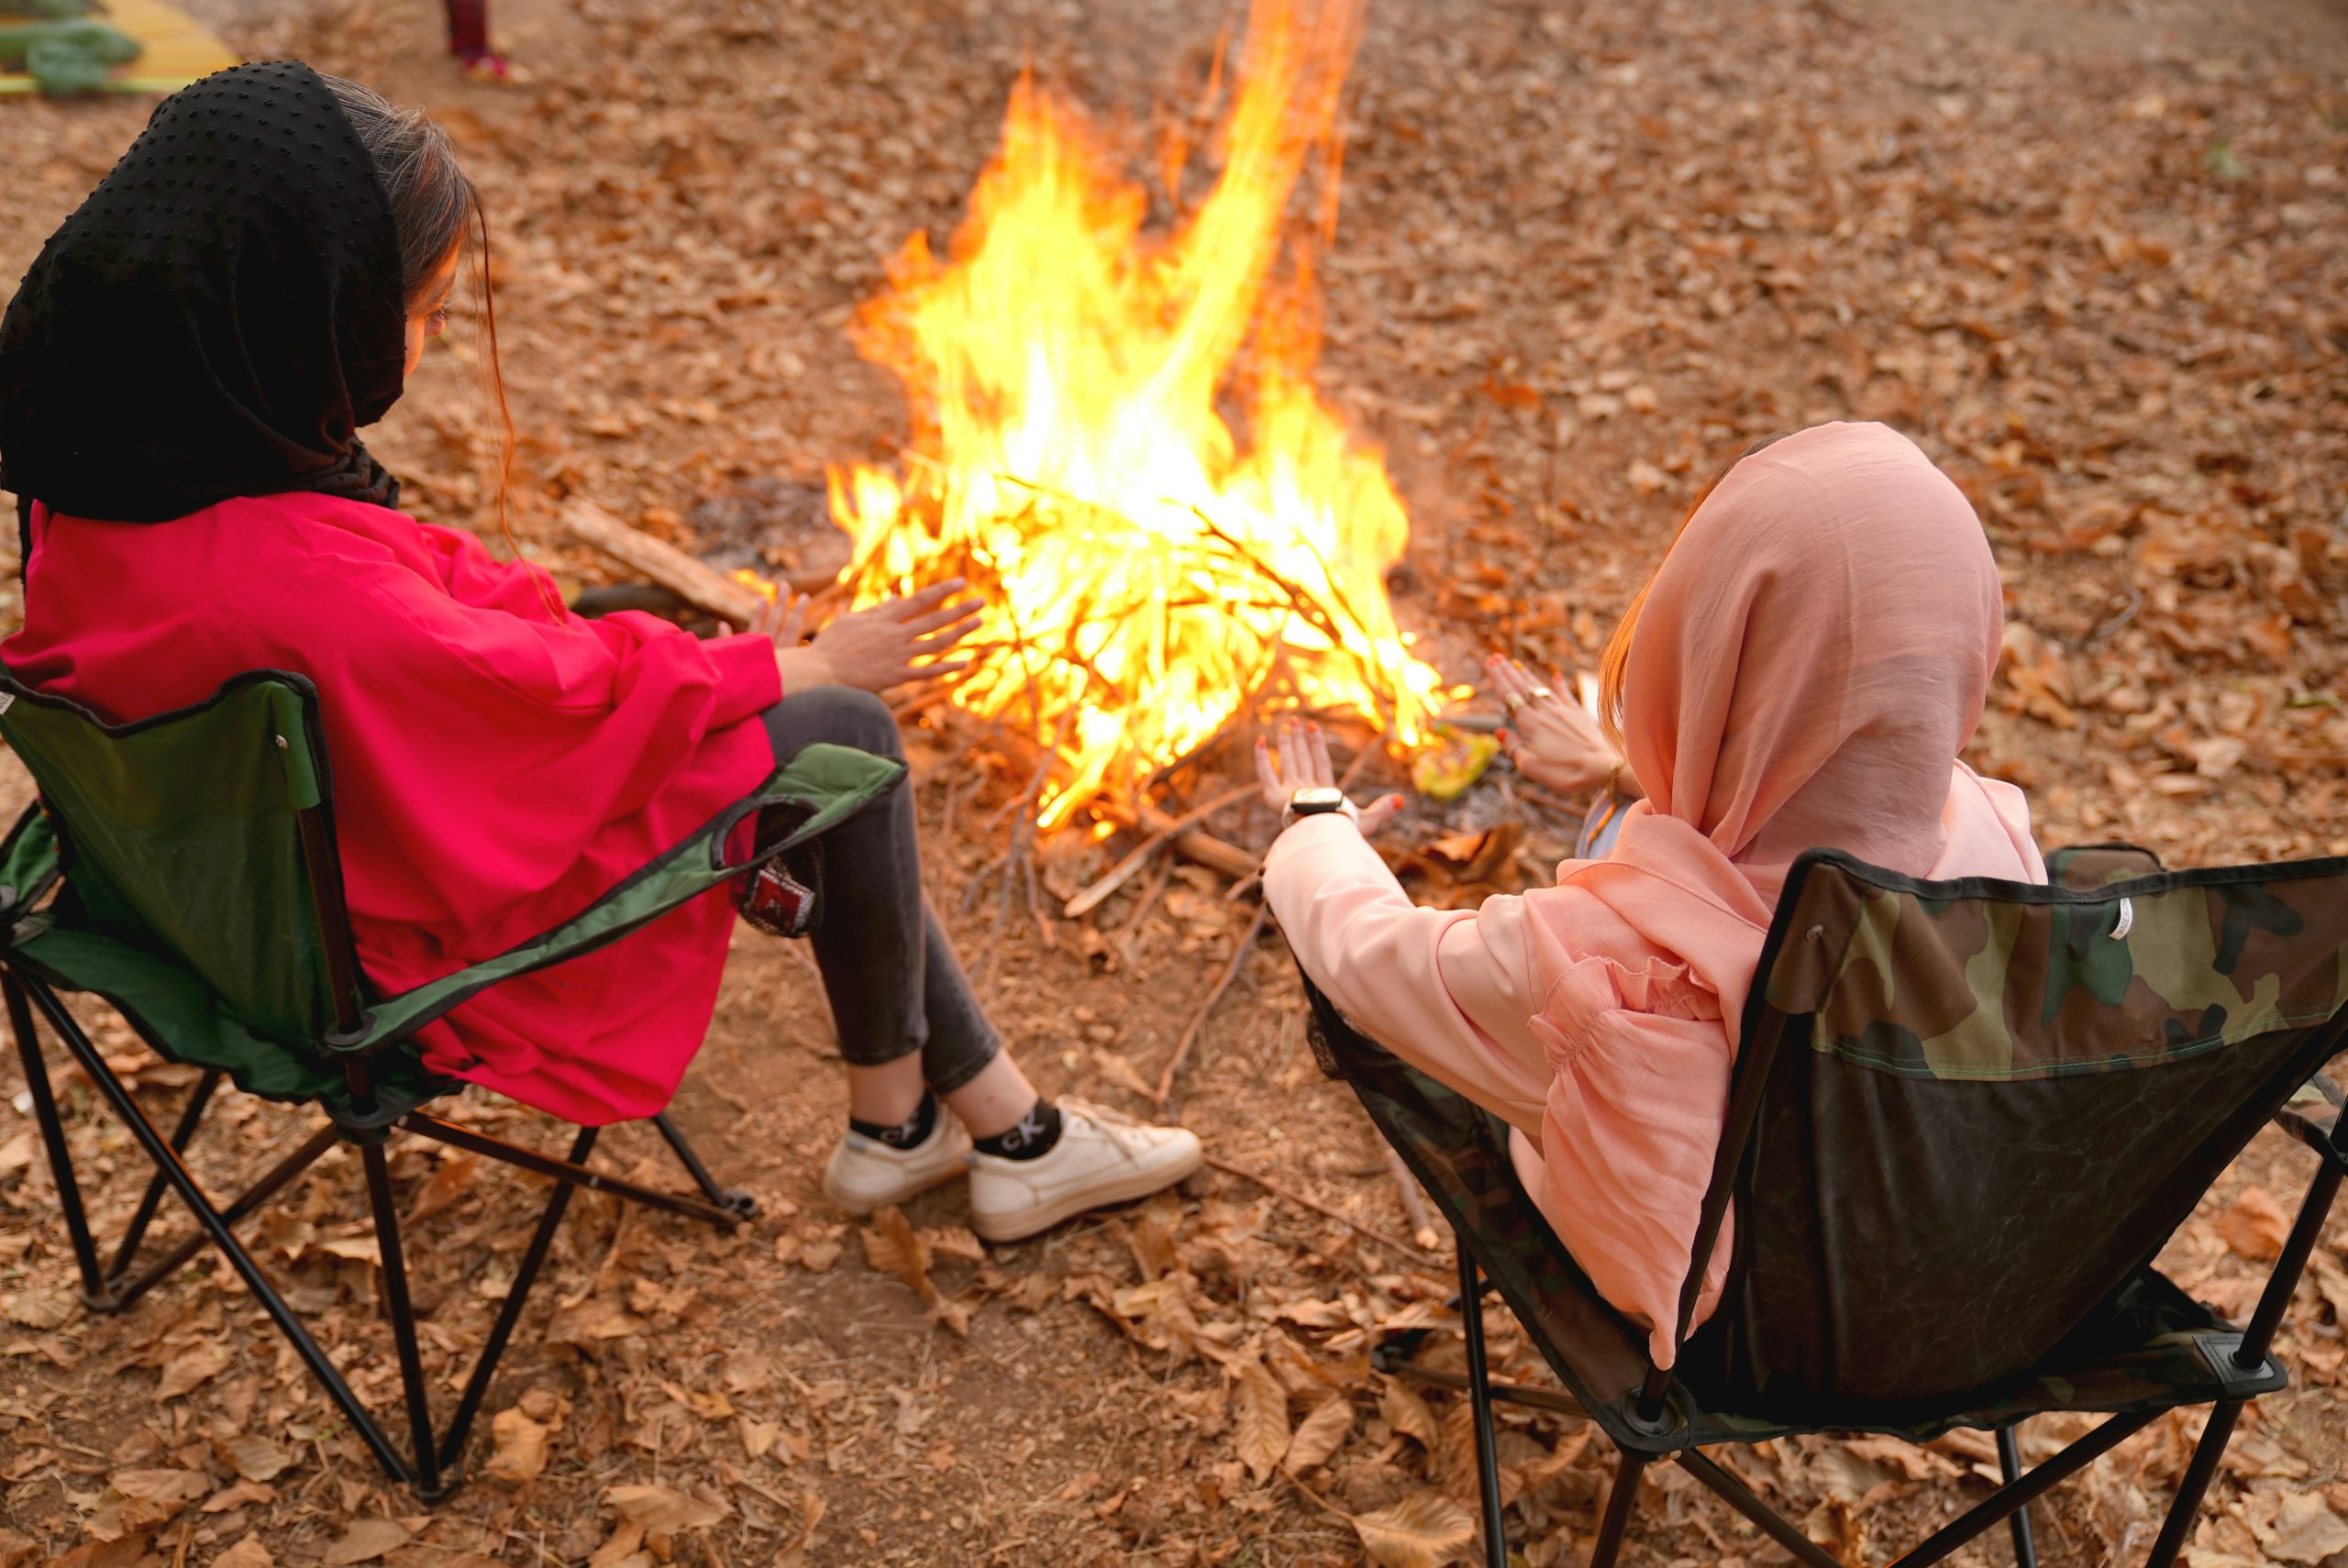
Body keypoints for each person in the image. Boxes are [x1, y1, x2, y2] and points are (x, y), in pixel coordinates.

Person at [0, 62, 1202, 1243]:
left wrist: (697, 660)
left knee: (704, 663)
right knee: (841, 730)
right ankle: (984, 1134)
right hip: (386, 940)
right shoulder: (318, 589)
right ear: (295, 312)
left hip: (215, 891)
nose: (417, 346)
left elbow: (443, 629)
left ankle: (930, 1123)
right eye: (412, 315)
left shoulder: (110, 471)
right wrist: (795, 669)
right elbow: (511, 697)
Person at [1254, 422, 2046, 1364]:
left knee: (1495, 1068)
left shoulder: (1613, 958)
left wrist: (1313, 826)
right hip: (1967, 1298)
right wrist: (1614, 775)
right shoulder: (2000, 852)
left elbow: (1365, 954)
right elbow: (1800, 842)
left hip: (1739, 1335)